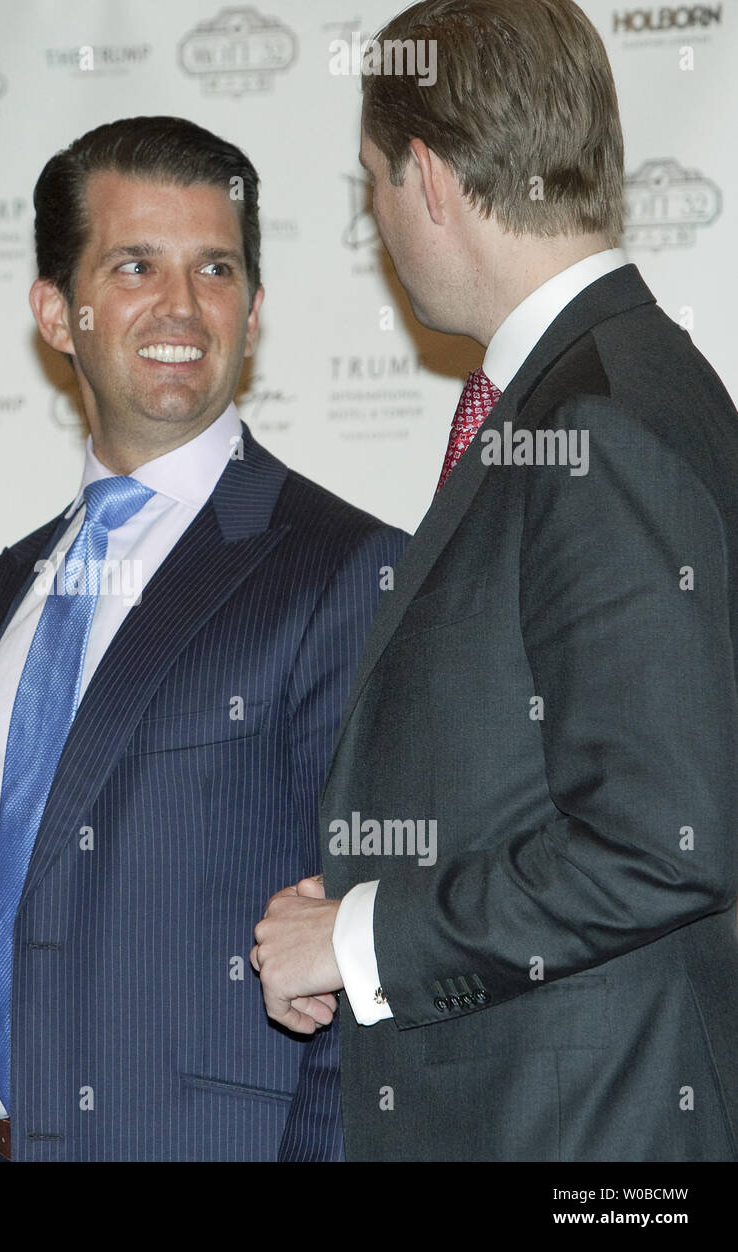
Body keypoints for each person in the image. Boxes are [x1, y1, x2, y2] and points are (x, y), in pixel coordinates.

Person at [253, 0, 738, 1160]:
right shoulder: (607, 390)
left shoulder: (600, 421)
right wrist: (357, 893)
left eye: (370, 179)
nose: (375, 217)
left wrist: (360, 938)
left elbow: (657, 839)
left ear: (426, 175)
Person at [0, 116, 407, 1162]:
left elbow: (369, 952)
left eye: (214, 268)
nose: (180, 306)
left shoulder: (343, 570)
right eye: (135, 264)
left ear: (254, 311)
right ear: (56, 310)